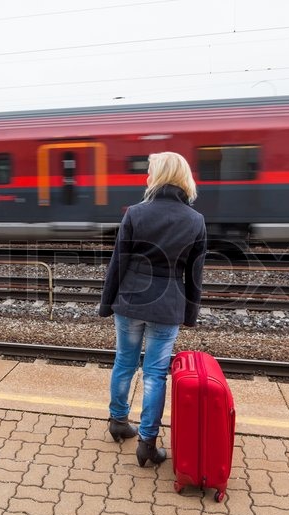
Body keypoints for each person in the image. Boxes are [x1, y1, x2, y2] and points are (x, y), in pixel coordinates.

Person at [99, 151, 207, 467]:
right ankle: (147, 444)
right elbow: (194, 275)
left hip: (131, 300)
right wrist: (190, 312)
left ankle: (118, 420)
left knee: (124, 361)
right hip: (168, 304)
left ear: (157, 176)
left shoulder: (135, 213)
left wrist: (107, 303)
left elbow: (118, 262)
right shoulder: (195, 220)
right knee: (155, 374)